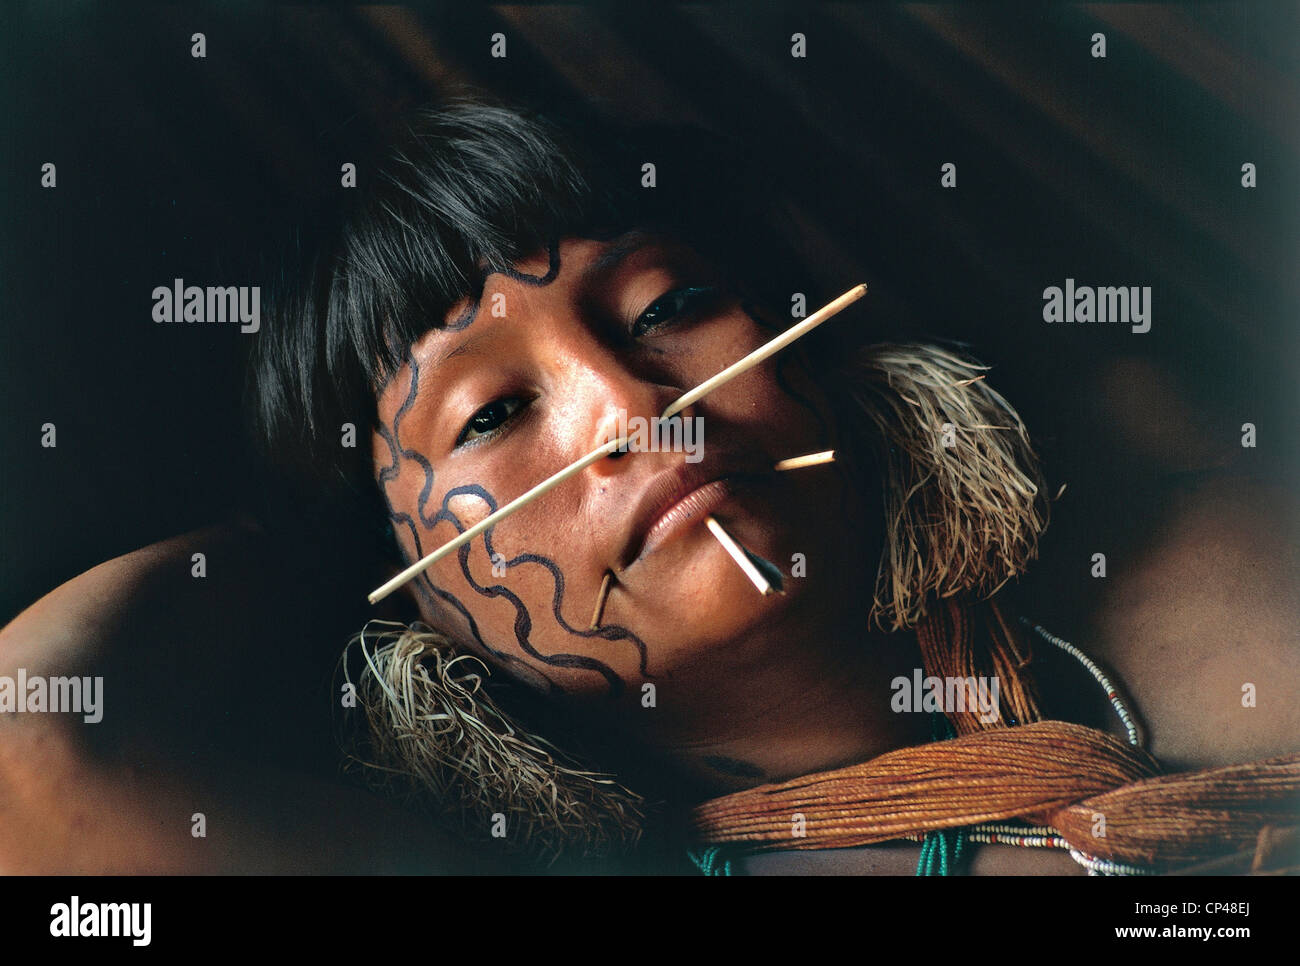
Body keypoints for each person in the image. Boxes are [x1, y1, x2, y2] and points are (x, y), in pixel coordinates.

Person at [2, 98, 1295, 875]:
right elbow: (29, 758)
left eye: (668, 304)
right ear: (412, 600)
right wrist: (297, 552)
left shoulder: (1174, 559)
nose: (632, 409)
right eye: (496, 413)